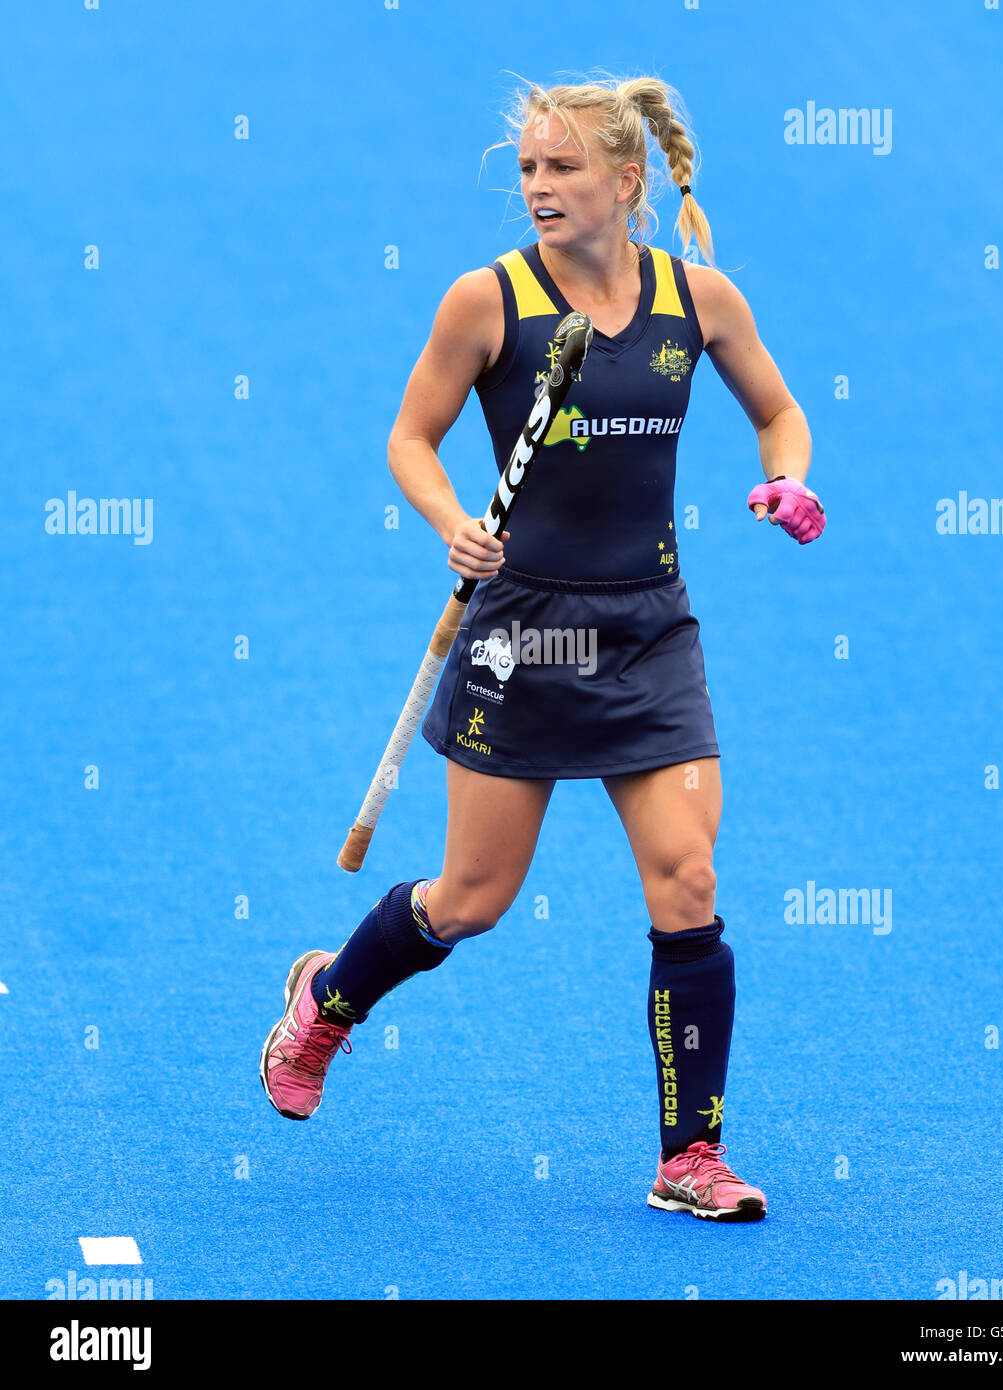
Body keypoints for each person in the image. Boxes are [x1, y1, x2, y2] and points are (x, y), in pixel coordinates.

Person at [260, 74, 824, 1222]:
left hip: (651, 629)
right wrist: (451, 522)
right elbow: (411, 439)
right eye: (526, 169)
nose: (539, 187)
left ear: (627, 180)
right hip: (524, 632)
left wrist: (787, 478)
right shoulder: (487, 301)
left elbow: (779, 408)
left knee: (689, 879)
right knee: (472, 896)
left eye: (562, 168)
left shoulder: (698, 299)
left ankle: (691, 1156)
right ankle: (328, 997)